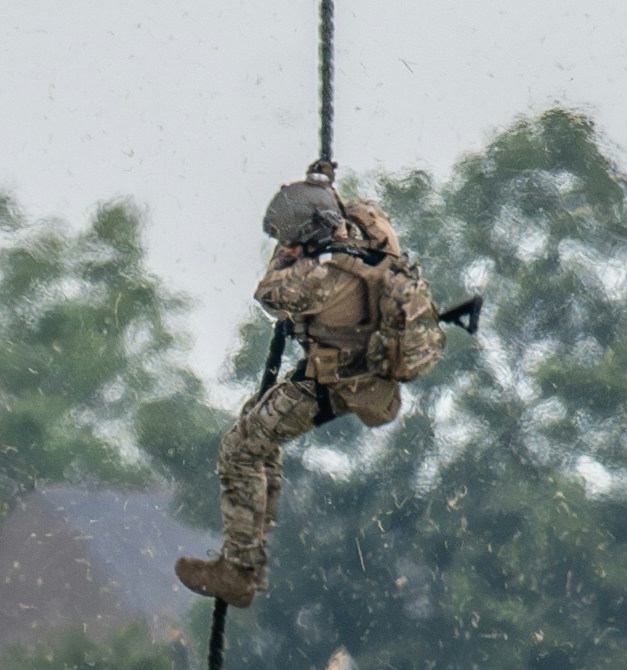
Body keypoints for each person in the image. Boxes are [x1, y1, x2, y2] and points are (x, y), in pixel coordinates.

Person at [175, 169, 448, 610]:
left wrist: (289, 254)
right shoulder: (374, 234)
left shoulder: (318, 278)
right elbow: (361, 206)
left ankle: (241, 570)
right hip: (362, 367)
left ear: (315, 237)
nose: (287, 248)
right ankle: (251, 549)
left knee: (241, 449)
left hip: (337, 383)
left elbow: (268, 294)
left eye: (294, 242)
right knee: (259, 430)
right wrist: (320, 189)